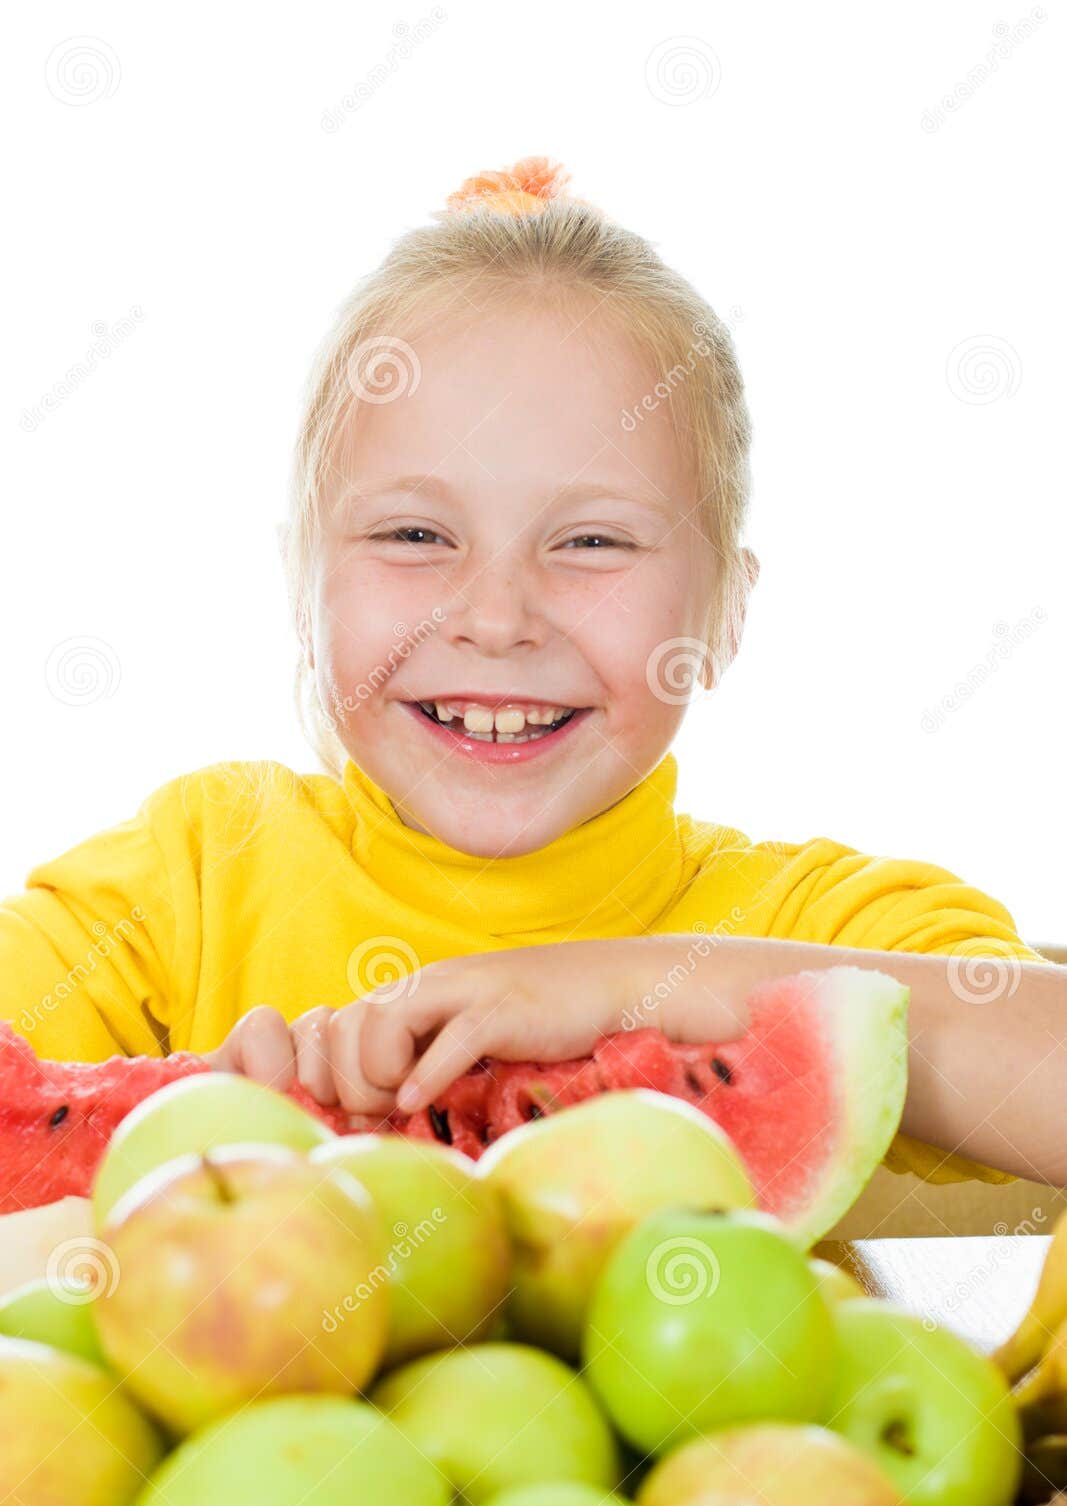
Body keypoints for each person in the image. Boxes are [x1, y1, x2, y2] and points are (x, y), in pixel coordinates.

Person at [1, 158, 1061, 1200]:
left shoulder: (815, 915)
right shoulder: (193, 874)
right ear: (300, 581)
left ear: (728, 608)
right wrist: (181, 1138)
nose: (496, 619)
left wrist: (627, 987)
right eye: (414, 534)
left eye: (593, 542)